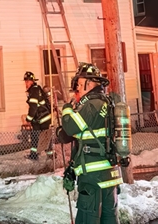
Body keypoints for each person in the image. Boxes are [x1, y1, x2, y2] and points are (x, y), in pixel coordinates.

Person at [56, 63, 127, 224]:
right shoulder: (107, 103)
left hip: (93, 178)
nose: (78, 89)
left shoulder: (92, 104)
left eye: (80, 84)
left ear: (90, 83)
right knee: (109, 219)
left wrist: (67, 108)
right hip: (109, 176)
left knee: (87, 220)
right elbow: (81, 138)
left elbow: (69, 127)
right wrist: (72, 169)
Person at [22, 71, 52, 160]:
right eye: (25, 81)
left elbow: (33, 107)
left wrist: (28, 119)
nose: (26, 83)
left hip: (43, 118)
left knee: (44, 138)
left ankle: (51, 156)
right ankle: (34, 155)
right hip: (39, 119)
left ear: (32, 81)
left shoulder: (34, 90)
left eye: (27, 81)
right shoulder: (35, 89)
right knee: (35, 136)